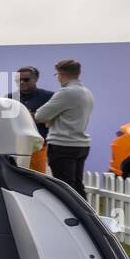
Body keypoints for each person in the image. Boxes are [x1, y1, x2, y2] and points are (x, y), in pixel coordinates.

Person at [34, 59, 94, 195]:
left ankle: (69, 215)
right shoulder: (86, 92)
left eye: (57, 75)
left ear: (62, 74)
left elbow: (40, 115)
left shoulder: (66, 92)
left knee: (65, 188)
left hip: (63, 144)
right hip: (81, 144)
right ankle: (85, 215)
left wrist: (50, 119)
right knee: (77, 186)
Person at [7, 65, 55, 174]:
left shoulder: (49, 97)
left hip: (38, 147)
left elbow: (52, 119)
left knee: (37, 179)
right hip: (14, 147)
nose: (22, 82)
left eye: (26, 79)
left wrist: (24, 116)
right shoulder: (9, 97)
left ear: (36, 79)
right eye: (18, 80)